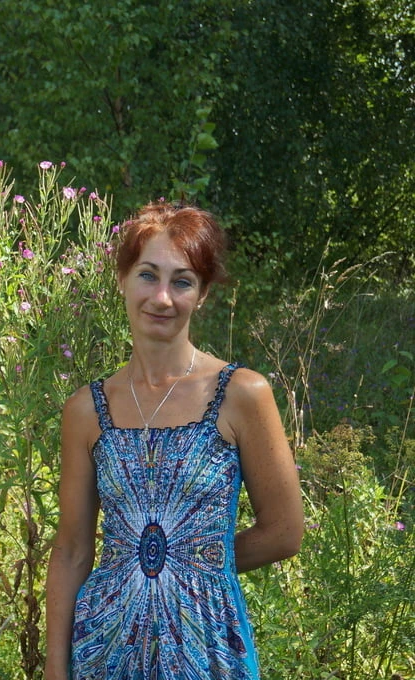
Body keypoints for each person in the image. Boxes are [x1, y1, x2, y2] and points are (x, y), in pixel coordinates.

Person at [44, 201, 304, 679]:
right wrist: (55, 671)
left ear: (202, 294)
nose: (162, 298)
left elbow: (285, 533)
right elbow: (73, 551)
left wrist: (190, 564)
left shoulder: (242, 394)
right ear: (122, 279)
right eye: (148, 275)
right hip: (105, 648)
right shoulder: (85, 410)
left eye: (182, 281)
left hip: (206, 648)